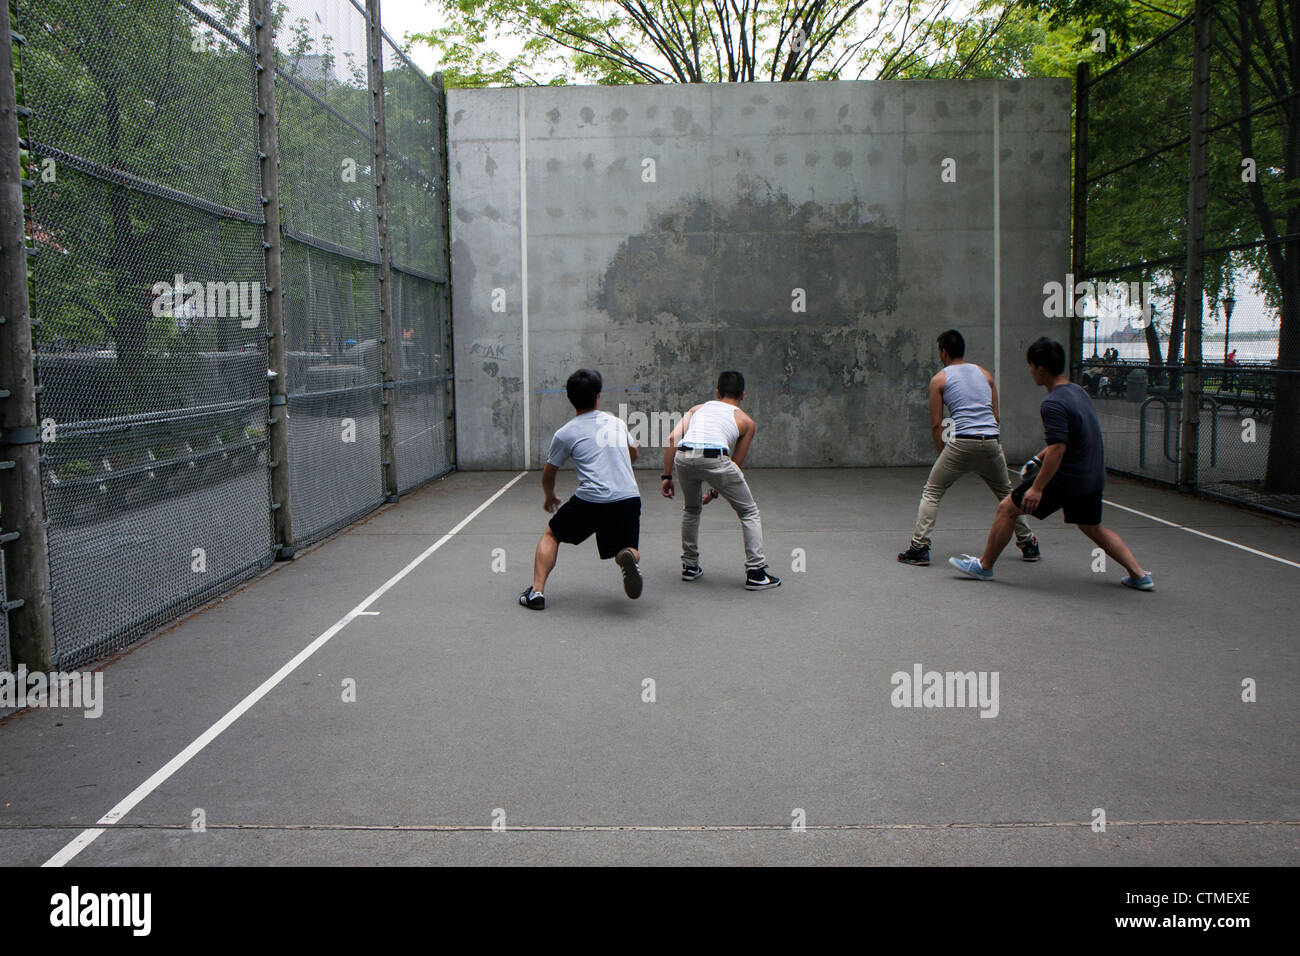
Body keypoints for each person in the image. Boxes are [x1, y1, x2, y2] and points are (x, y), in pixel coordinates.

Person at [948, 337, 1154, 590]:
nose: (1030, 371)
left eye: (1031, 366)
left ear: (1041, 369)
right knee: (1092, 526)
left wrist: (1037, 488)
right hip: (1091, 476)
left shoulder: (1052, 403)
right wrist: (1038, 457)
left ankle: (984, 566)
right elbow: (1068, 439)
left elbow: (1058, 448)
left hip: (1067, 477)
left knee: (1007, 509)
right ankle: (1139, 574)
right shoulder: (1078, 392)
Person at [897, 329, 1039, 566]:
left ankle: (919, 548)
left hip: (962, 442)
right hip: (991, 441)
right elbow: (995, 416)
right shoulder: (985, 374)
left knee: (932, 492)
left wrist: (942, 451)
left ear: (943, 352)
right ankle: (1028, 544)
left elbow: (936, 423)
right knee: (1007, 495)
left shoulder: (939, 379)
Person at [520, 368, 642, 610]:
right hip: (628, 497)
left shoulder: (566, 433)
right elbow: (634, 453)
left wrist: (550, 496)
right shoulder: (616, 423)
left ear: (569, 397)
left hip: (591, 500)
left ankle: (536, 593)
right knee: (626, 548)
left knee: (552, 534)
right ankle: (628, 558)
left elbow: (549, 473)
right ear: (598, 396)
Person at [661, 371, 781, 590]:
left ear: (717, 392)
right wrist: (716, 491)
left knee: (691, 509)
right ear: (743, 395)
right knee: (749, 512)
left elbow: (672, 438)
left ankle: (689, 566)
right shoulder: (746, 421)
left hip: (684, 457)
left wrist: (667, 476)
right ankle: (756, 572)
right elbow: (734, 465)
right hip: (715, 458)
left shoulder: (697, 409)